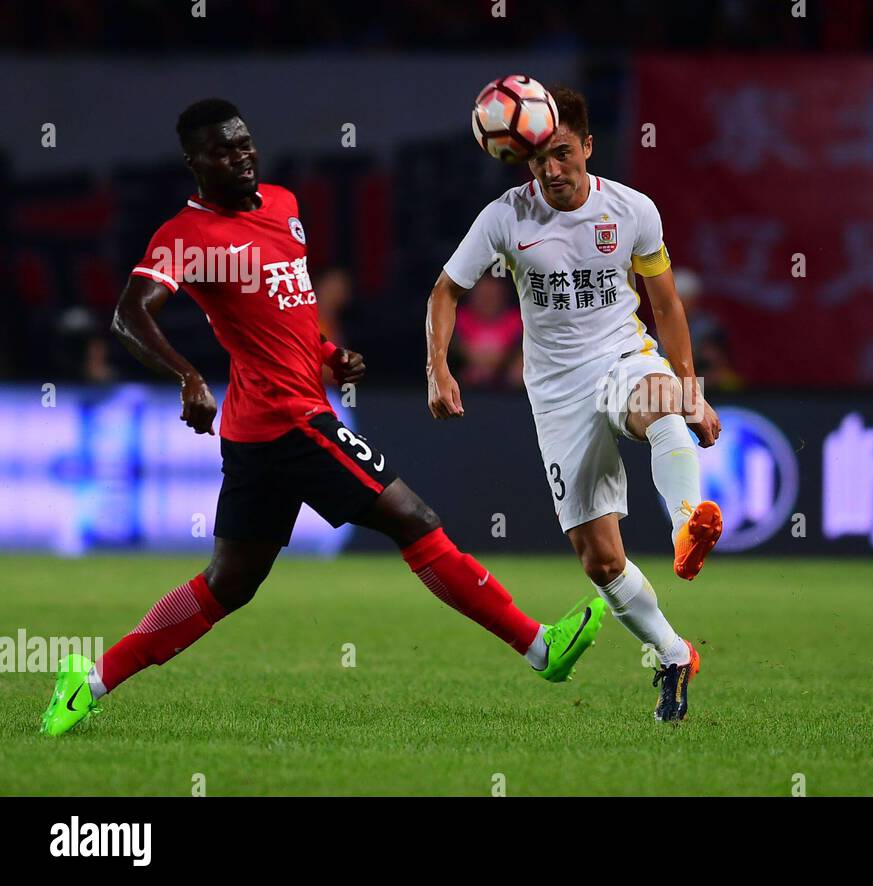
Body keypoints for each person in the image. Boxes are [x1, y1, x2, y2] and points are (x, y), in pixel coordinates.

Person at [40, 98, 604, 738]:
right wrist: (189, 375)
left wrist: (326, 353)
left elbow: (282, 311)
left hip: (260, 429)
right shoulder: (186, 237)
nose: (241, 155)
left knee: (228, 584)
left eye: (244, 142)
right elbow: (128, 314)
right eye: (223, 150)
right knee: (412, 519)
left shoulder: (283, 205)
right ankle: (540, 647)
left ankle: (89, 680)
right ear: (193, 162)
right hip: (290, 421)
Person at [426, 86, 723, 722]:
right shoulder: (507, 217)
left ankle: (686, 522)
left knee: (661, 404)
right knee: (601, 559)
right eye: (538, 161)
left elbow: (665, 305)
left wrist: (691, 388)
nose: (552, 171)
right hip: (557, 394)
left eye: (563, 154)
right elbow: (445, 292)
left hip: (621, 355)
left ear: (588, 146)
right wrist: (438, 369)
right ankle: (674, 655)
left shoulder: (634, 210)